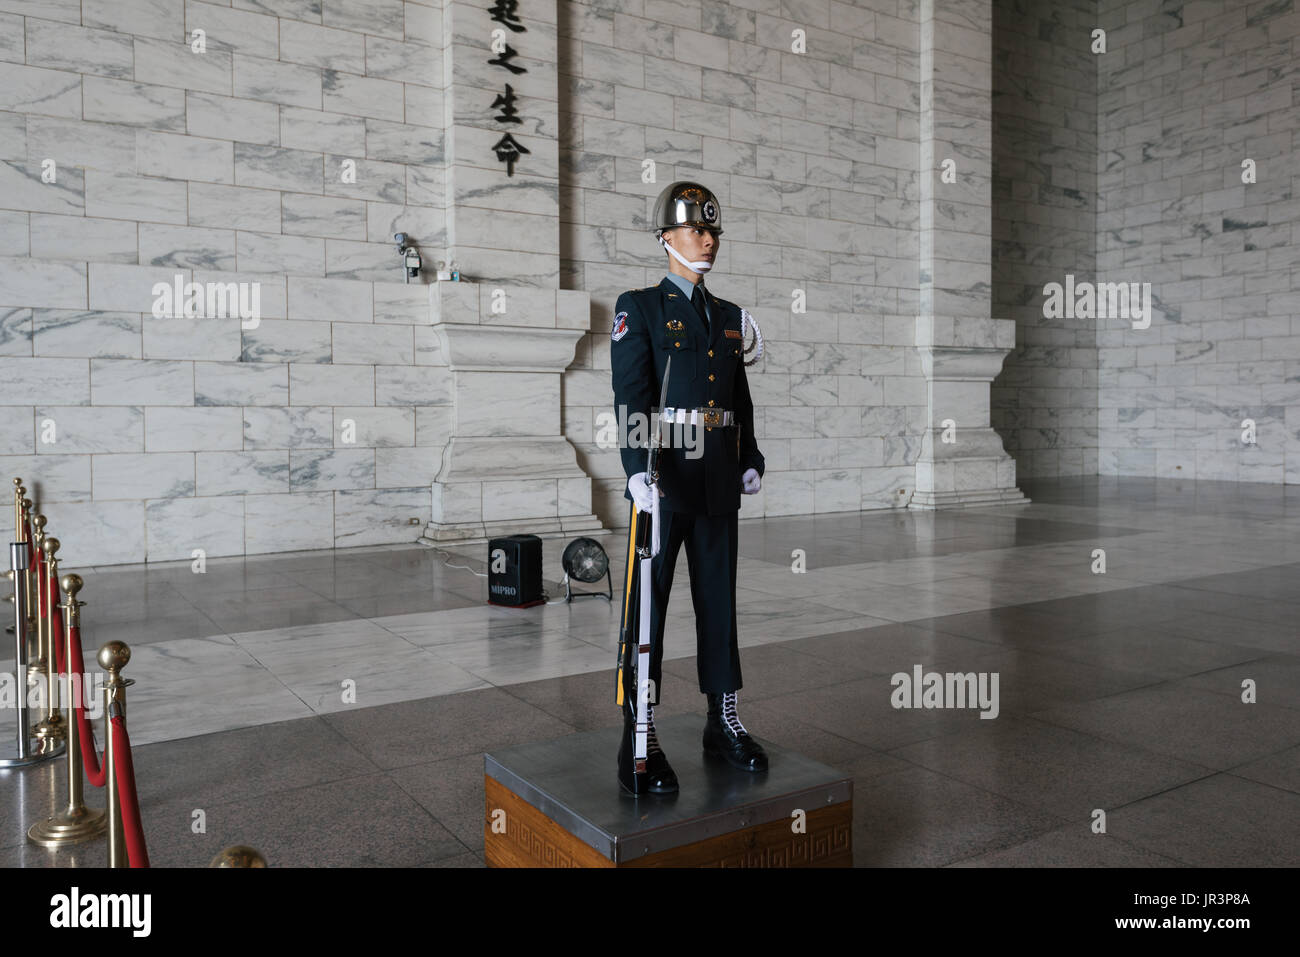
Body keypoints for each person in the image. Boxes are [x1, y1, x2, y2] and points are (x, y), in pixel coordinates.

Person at [609, 181, 767, 795]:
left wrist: (749, 455)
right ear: (665, 239)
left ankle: (721, 719)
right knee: (647, 610)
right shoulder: (640, 307)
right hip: (664, 475)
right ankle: (639, 730)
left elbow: (738, 399)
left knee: (718, 602)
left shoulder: (729, 317)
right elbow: (631, 397)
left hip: (717, 479)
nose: (707, 240)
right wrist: (633, 471)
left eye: (713, 231)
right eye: (695, 230)